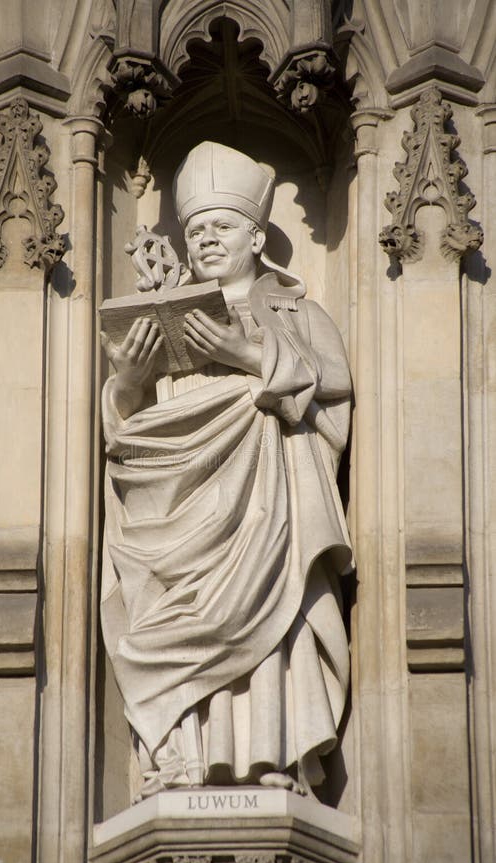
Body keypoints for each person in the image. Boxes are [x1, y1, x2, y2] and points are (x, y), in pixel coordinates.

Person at [100, 142, 353, 801]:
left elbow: (333, 400)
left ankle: (271, 753)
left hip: (266, 513)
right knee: (171, 617)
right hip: (182, 515)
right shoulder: (168, 313)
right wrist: (128, 380)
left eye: (221, 226)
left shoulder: (298, 314)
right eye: (196, 230)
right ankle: (183, 760)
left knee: (270, 617)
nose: (207, 239)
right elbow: (127, 433)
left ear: (256, 237)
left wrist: (247, 353)